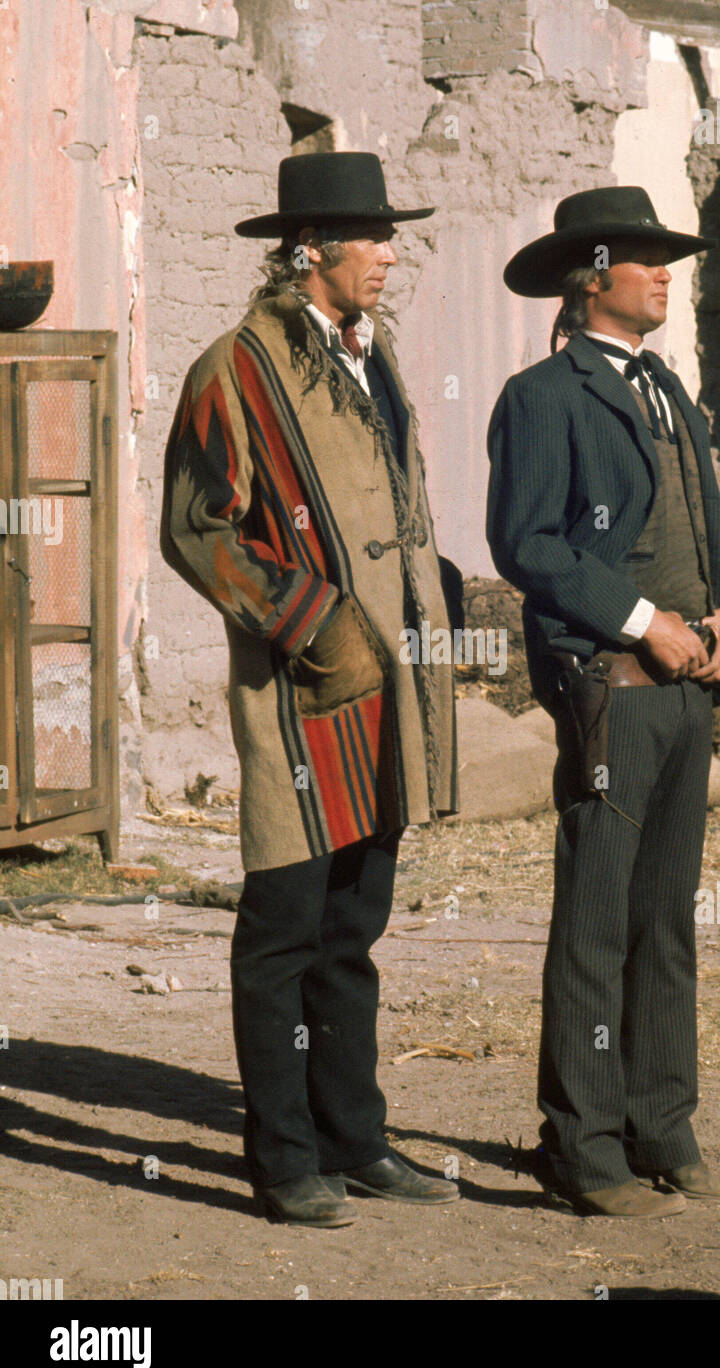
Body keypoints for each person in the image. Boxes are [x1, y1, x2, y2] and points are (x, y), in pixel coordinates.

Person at [160, 152, 459, 1227]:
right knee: (282, 928)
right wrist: (313, 621)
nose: (390, 252)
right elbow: (196, 530)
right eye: (371, 236)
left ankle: (357, 1138)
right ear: (308, 252)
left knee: (353, 929)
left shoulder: (369, 360)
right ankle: (283, 1158)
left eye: (389, 233)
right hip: (301, 696)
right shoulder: (234, 369)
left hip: (386, 702)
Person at [486, 185, 720, 1218]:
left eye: (664, 258)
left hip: (693, 690)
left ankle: (661, 1121)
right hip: (613, 689)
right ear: (590, 275)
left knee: (666, 922)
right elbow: (529, 545)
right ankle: (583, 1141)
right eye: (643, 258)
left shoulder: (671, 393)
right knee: (597, 924)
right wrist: (642, 617)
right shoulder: (542, 396)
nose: (664, 272)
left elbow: (709, 529)